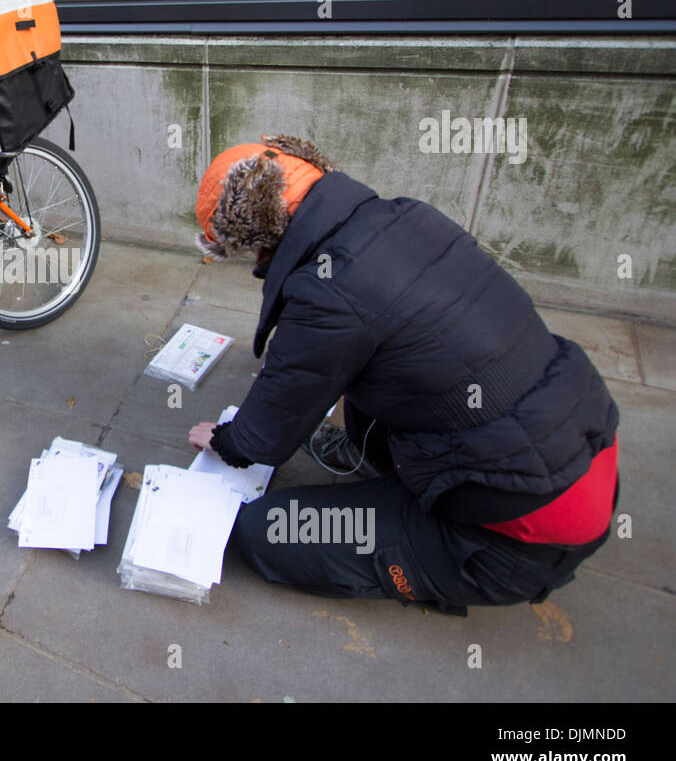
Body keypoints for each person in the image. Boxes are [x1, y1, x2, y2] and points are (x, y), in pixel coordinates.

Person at [188, 135, 620, 615]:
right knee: (366, 394)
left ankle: (430, 556)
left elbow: (266, 431)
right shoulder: (407, 216)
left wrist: (227, 441)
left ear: (258, 235)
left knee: (266, 530)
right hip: (580, 448)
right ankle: (399, 497)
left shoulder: (326, 291)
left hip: (518, 537)